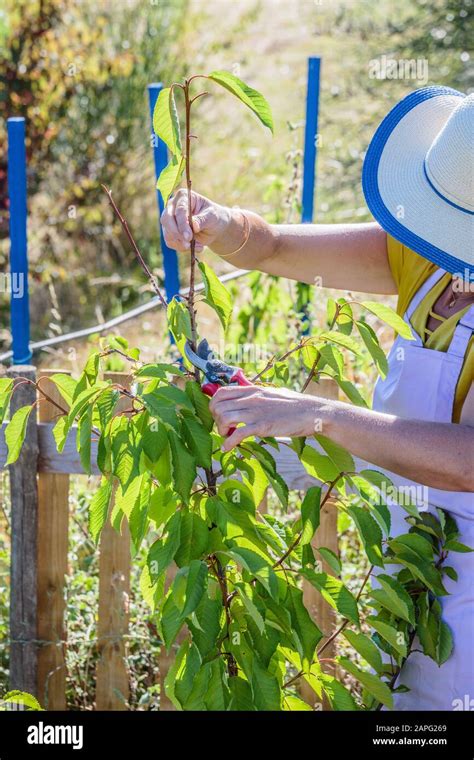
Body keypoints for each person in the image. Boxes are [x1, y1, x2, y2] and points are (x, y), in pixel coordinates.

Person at [161, 86, 474, 710]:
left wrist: (319, 413)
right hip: (415, 540)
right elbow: (274, 245)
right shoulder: (433, 261)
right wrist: (218, 224)